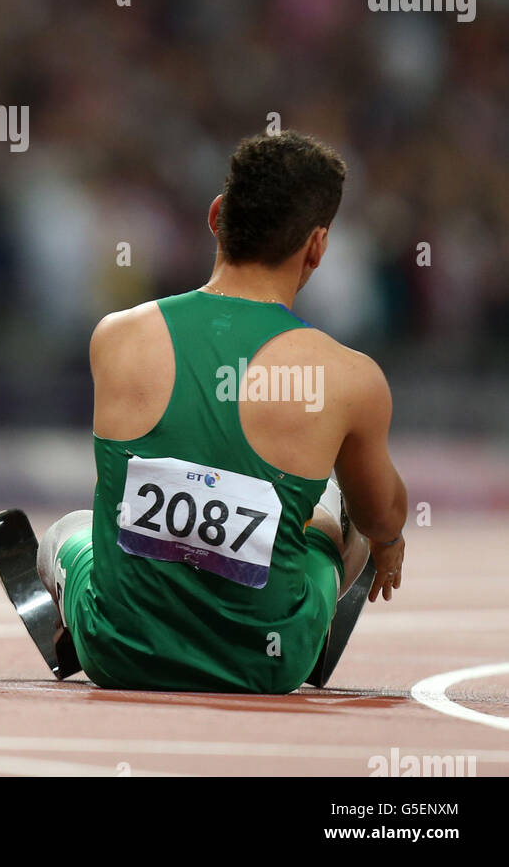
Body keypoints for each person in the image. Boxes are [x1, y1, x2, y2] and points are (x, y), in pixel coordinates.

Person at [36, 130, 408, 693]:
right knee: (343, 508)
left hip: (118, 652)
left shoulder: (117, 336)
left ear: (216, 216)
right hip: (266, 662)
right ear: (317, 247)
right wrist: (388, 543)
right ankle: (315, 618)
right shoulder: (351, 378)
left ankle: (75, 616)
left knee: (69, 529)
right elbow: (384, 516)